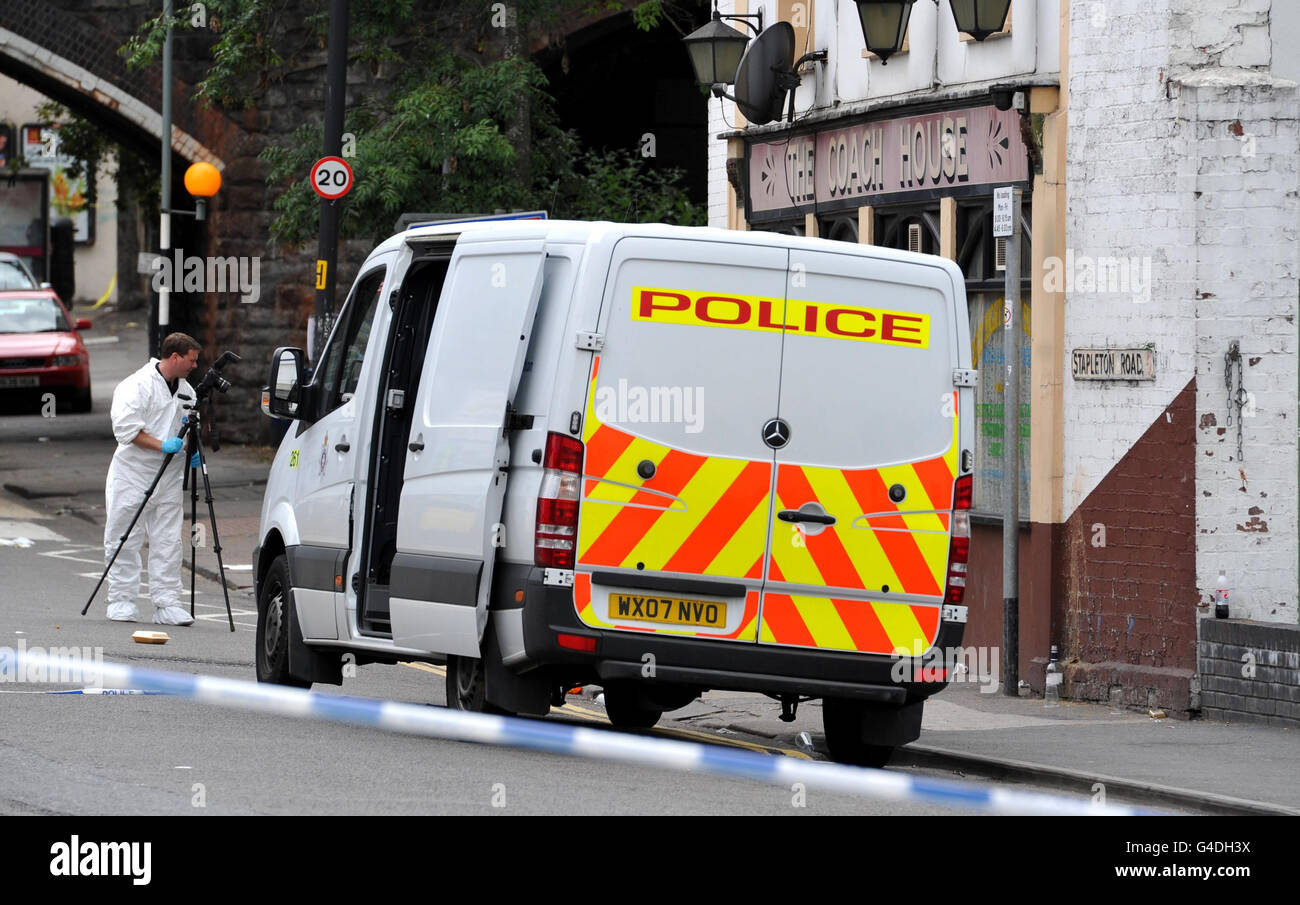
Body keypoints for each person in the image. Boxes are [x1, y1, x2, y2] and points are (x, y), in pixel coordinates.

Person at [103, 333, 203, 625]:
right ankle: (121, 600)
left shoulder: (188, 392)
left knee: (168, 540)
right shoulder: (136, 386)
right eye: (191, 360)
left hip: (170, 476)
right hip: (132, 474)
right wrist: (163, 445)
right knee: (125, 536)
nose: (194, 366)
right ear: (175, 357)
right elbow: (125, 430)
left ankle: (167, 603)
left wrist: (193, 449)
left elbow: (190, 428)